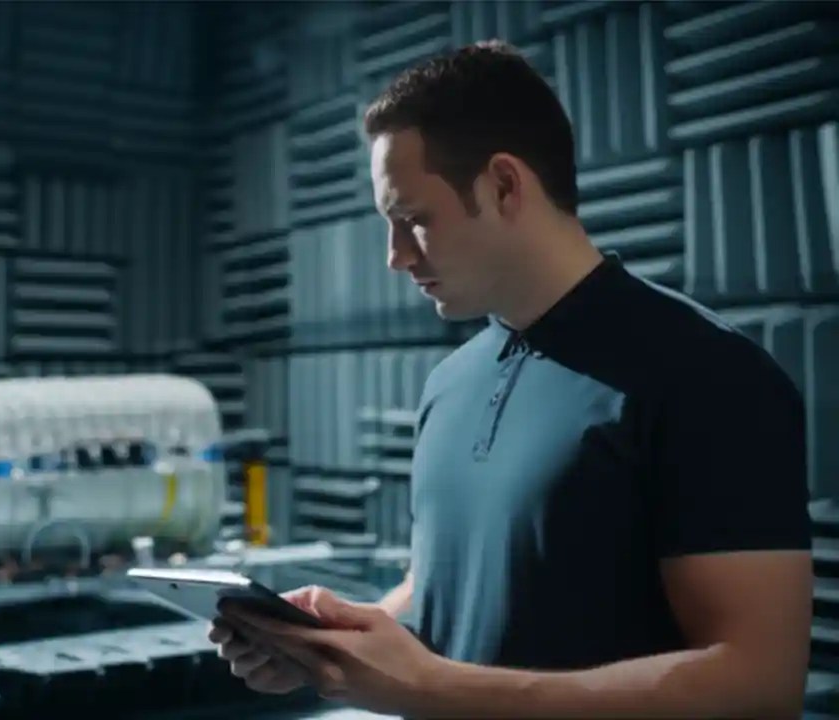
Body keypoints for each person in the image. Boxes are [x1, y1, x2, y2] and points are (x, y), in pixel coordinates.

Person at [209, 39, 814, 718]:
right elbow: (457, 583)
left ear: (503, 185)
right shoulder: (450, 384)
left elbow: (759, 686)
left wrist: (432, 689)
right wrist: (341, 646)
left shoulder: (710, 373)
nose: (394, 257)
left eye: (414, 221)